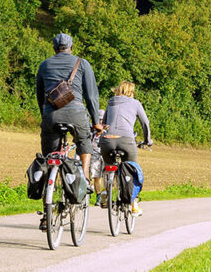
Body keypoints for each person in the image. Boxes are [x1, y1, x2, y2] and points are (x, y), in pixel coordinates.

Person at [35, 33, 101, 196]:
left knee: (49, 157)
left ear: (54, 48)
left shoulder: (44, 65)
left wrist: (45, 115)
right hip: (76, 114)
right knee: (84, 141)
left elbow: (39, 94)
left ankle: (46, 211)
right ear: (71, 47)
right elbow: (91, 96)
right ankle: (84, 178)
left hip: (51, 115)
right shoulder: (82, 64)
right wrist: (95, 122)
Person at [98, 80, 152, 214]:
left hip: (108, 140)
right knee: (132, 169)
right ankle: (134, 204)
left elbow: (104, 124)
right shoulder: (136, 103)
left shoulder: (111, 102)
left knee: (108, 165)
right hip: (126, 140)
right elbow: (145, 122)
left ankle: (105, 190)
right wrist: (147, 140)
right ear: (131, 92)